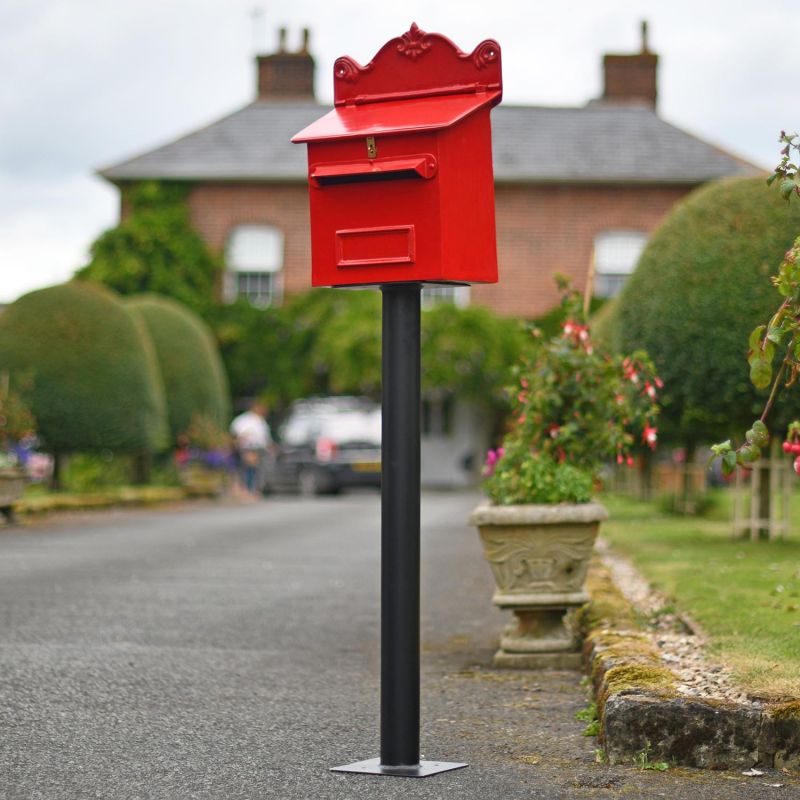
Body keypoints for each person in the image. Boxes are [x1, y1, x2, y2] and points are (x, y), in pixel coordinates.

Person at [229, 401, 271, 496]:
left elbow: (265, 437)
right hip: (248, 448)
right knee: (249, 468)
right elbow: (238, 434)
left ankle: (253, 488)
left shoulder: (260, 420)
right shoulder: (244, 420)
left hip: (258, 448)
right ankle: (248, 488)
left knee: (256, 469)